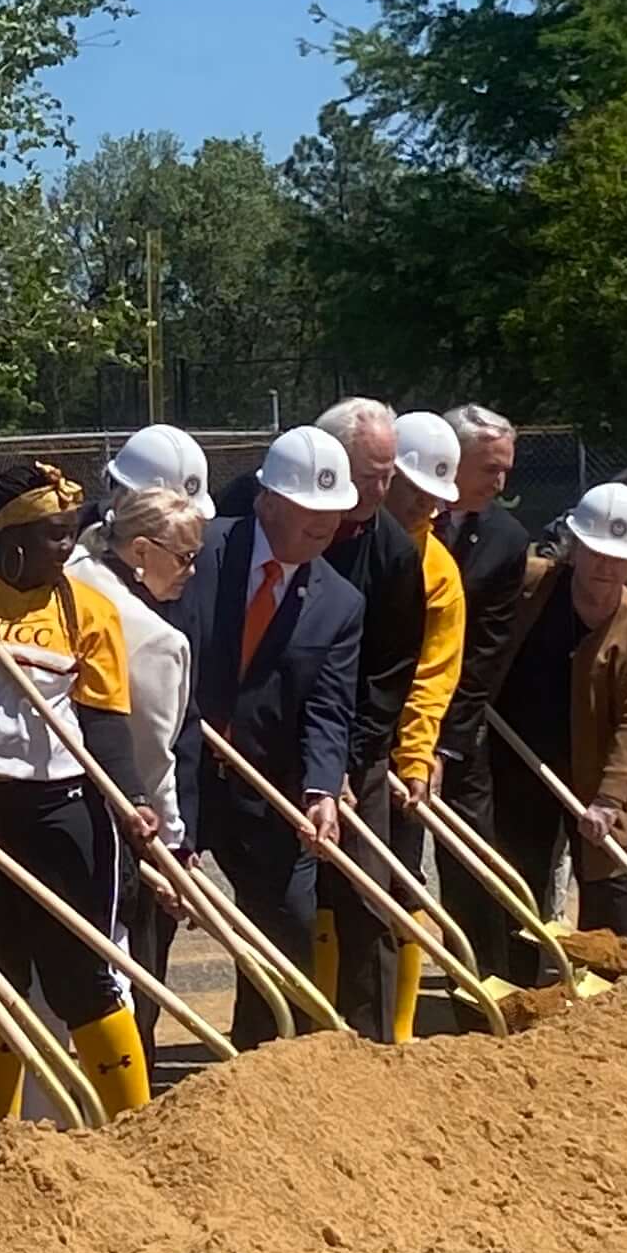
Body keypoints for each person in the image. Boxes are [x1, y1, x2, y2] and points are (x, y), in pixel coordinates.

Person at [0, 466, 154, 1125]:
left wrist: (132, 799)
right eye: (50, 536)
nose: (65, 548)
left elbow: (105, 718)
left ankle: (133, 1128)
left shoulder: (87, 609)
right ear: (9, 538)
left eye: (70, 535)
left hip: (63, 809)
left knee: (83, 977)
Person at [171, 427, 363, 1050]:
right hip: (181, 774)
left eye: (333, 515)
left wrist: (322, 786)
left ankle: (268, 1062)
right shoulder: (202, 554)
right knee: (154, 925)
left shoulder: (339, 602)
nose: (324, 527)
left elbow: (330, 707)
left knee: (287, 923)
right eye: (311, 511)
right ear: (268, 501)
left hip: (269, 783)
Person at [483, 486, 627, 965]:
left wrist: (608, 800)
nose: (606, 568)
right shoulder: (533, 586)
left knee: (606, 883)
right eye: (597, 553)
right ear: (575, 547)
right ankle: (519, 984)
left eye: (619, 559)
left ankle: (606, 993)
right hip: (519, 758)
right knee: (519, 875)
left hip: (593, 774)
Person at [302, 402, 430, 1038]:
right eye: (368, 475)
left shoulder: (393, 555)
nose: (381, 491)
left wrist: (349, 761)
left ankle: (374, 1038)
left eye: (387, 475)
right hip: (276, 736)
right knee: (290, 898)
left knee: (367, 895)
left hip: (358, 742)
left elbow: (391, 671)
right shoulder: (273, 517)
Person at [71, 480, 205, 981]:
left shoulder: (72, 570)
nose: (191, 573)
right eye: (185, 557)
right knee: (120, 972)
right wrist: (173, 847)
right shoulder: (155, 641)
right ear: (142, 550)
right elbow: (151, 757)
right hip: (109, 817)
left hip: (45, 797)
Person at [373, 414, 470, 1036]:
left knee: (402, 880)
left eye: (435, 494)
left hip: (395, 745)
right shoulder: (344, 539)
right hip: (330, 738)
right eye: (414, 489)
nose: (425, 503)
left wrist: (414, 756)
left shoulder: (439, 573)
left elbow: (434, 678)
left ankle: (399, 1031)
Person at [434, 408, 531, 971]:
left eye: (506, 471)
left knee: (474, 856)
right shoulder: (399, 519)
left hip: (459, 724)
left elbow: (486, 655)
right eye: (489, 469)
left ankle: (482, 983)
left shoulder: (503, 539)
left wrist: (446, 742)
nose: (500, 483)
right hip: (383, 718)